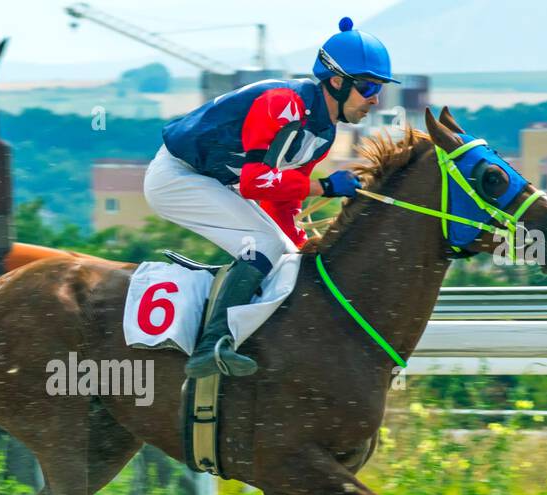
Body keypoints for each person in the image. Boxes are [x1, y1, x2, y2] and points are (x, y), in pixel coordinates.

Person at [145, 16, 399, 378]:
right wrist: (326, 188)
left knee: (285, 252)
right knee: (262, 244)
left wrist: (300, 245)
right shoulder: (283, 104)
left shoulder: (323, 134)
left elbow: (281, 199)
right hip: (176, 176)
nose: (375, 100)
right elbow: (254, 182)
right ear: (339, 83)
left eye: (380, 91)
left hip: (212, 180)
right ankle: (211, 347)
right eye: (370, 88)